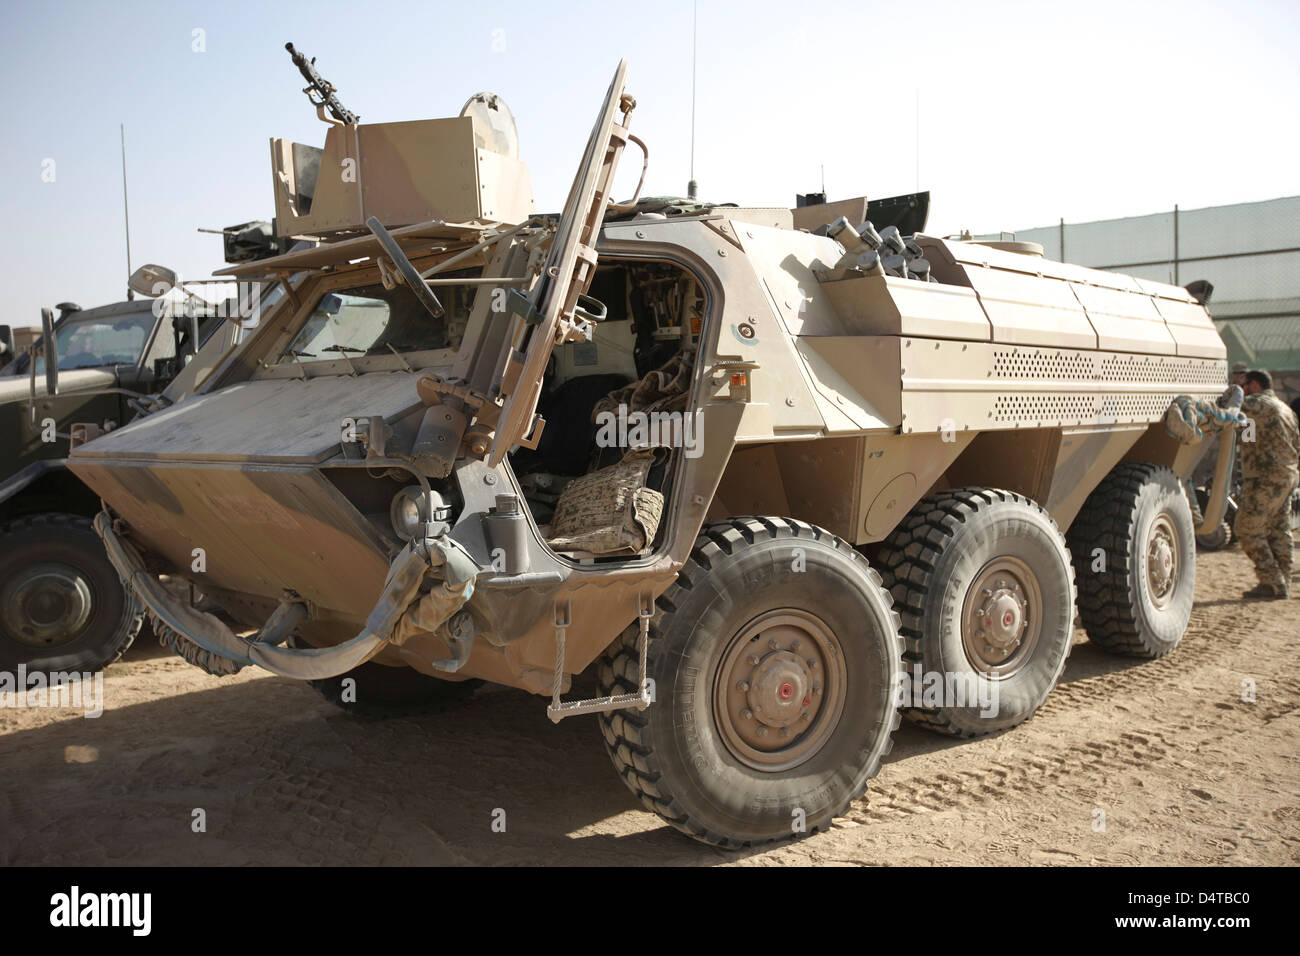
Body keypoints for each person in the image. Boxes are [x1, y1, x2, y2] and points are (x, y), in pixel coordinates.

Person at [1235, 370, 1300, 599]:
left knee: (1246, 528)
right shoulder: (1284, 408)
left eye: (1243, 384)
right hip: (1287, 475)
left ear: (1253, 384)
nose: (1241, 388)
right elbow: (1250, 438)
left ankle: (1272, 581)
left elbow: (1227, 405)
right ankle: (1282, 581)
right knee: (1279, 528)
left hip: (1267, 477)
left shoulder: (1256, 403)